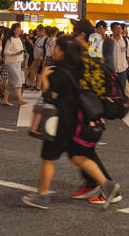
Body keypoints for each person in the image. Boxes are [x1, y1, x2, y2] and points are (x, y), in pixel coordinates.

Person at [21, 35, 121, 210]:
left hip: (60, 123)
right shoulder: (78, 68)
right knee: (78, 157)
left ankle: (42, 196)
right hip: (77, 122)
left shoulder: (58, 73)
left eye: (57, 48)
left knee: (48, 158)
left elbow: (50, 95)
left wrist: (45, 77)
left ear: (61, 51)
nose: (54, 50)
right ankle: (108, 186)